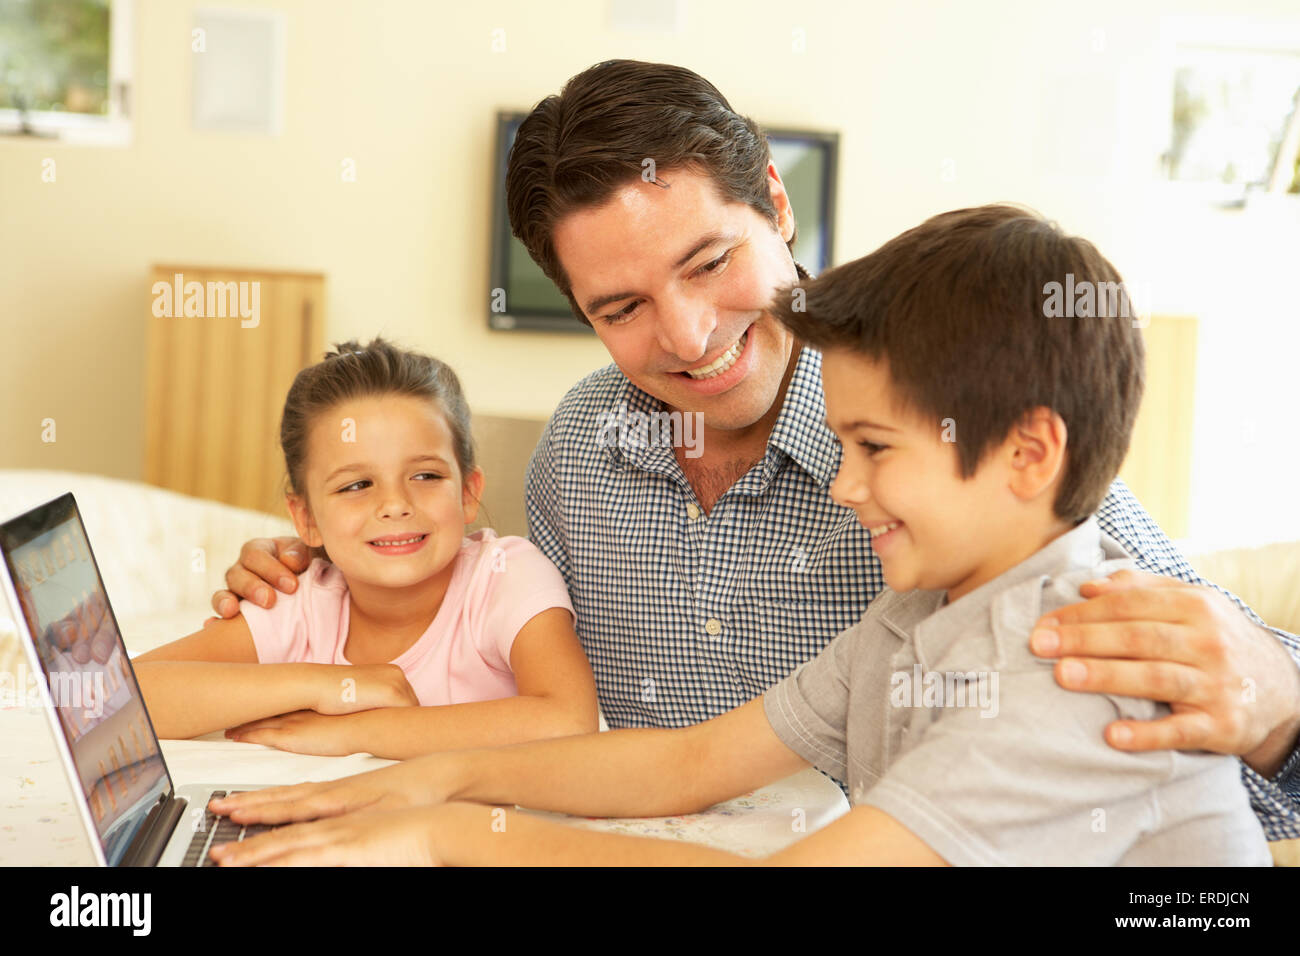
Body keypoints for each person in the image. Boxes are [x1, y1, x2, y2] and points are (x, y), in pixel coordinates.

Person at [207, 60, 1300, 833]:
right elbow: (506, 657)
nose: (686, 338)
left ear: (775, 201)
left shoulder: (950, 426)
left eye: (709, 260)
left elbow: (1229, 701)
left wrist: (1277, 701)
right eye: (621, 304)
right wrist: (323, 576)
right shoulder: (577, 456)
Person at [134, 338, 597, 759]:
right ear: (306, 519)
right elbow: (112, 701)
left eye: (426, 476)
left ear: (468, 492)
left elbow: (569, 723)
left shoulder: (503, 576)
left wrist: (362, 731)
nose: (395, 505)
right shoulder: (304, 602)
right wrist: (330, 685)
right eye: (357, 484)